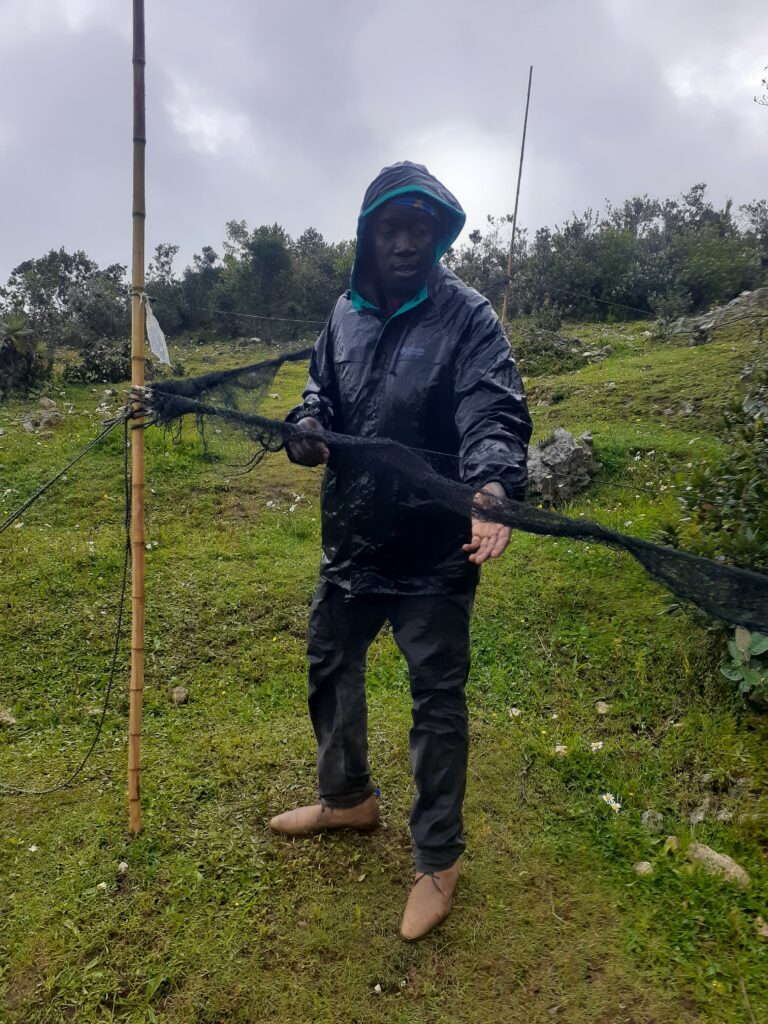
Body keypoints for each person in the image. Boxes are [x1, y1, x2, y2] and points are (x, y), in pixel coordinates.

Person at [269, 161, 532, 940]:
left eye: (421, 228)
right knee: (329, 666)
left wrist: (489, 488)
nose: (407, 242)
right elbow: (319, 390)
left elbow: (494, 411)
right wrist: (306, 428)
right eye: (392, 228)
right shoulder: (343, 315)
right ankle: (348, 798)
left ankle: (438, 859)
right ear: (369, 236)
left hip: (433, 554)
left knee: (436, 704)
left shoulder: (469, 317)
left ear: (438, 235)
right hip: (352, 544)